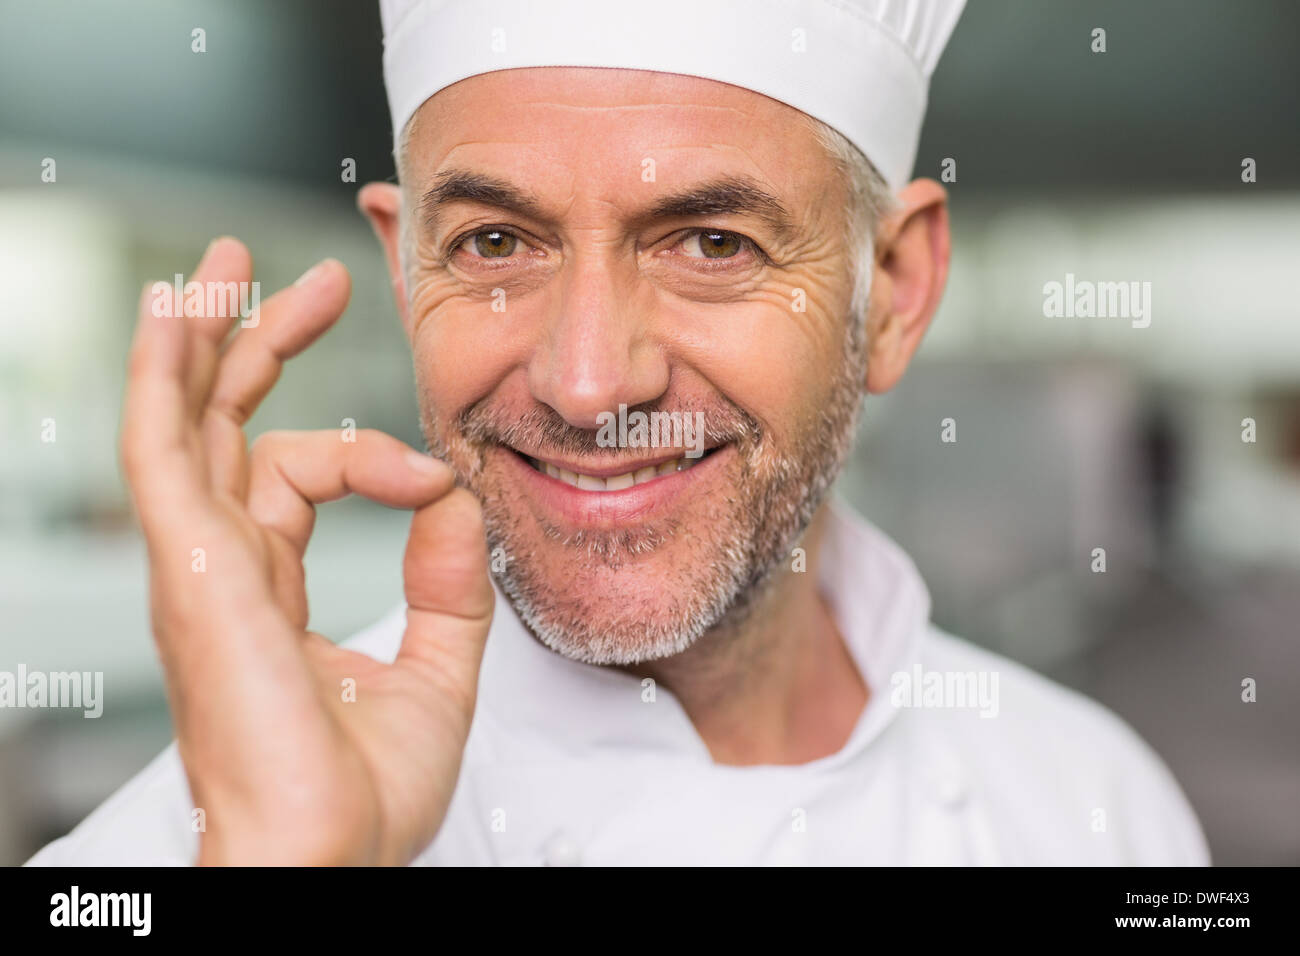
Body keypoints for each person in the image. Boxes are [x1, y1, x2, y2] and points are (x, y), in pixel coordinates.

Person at [29, 0, 1209, 865]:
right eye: (495, 243)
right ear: (403, 268)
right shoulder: (171, 850)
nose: (589, 383)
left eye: (711, 245)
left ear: (892, 289)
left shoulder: (1096, 805)